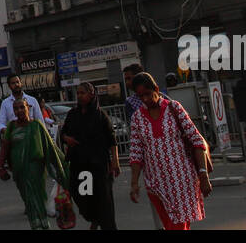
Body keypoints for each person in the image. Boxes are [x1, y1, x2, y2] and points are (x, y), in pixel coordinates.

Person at [127, 72, 212, 230]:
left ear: (156, 89)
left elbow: (197, 141)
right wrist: (134, 184)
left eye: (147, 94)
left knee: (178, 226)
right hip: (155, 184)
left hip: (182, 181)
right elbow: (136, 154)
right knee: (171, 225)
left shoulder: (174, 108)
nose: (145, 99)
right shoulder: (137, 118)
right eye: (140, 96)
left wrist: (203, 175)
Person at [0, 96, 67, 230]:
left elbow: (50, 147)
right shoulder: (11, 127)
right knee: (28, 199)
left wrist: (60, 167)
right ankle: (35, 224)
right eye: (15, 109)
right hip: (19, 171)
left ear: (28, 108)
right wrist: (1, 167)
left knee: (37, 196)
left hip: (36, 169)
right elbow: (5, 148)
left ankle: (44, 224)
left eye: (21, 107)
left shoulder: (36, 126)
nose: (19, 111)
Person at [59, 81, 119, 230]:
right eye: (77, 93)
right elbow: (63, 133)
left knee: (104, 202)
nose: (79, 96)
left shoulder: (100, 115)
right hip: (80, 167)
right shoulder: (73, 114)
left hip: (99, 166)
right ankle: (94, 218)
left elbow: (112, 140)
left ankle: (104, 223)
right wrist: (67, 139)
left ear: (91, 94)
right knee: (83, 198)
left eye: (82, 93)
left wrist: (115, 161)